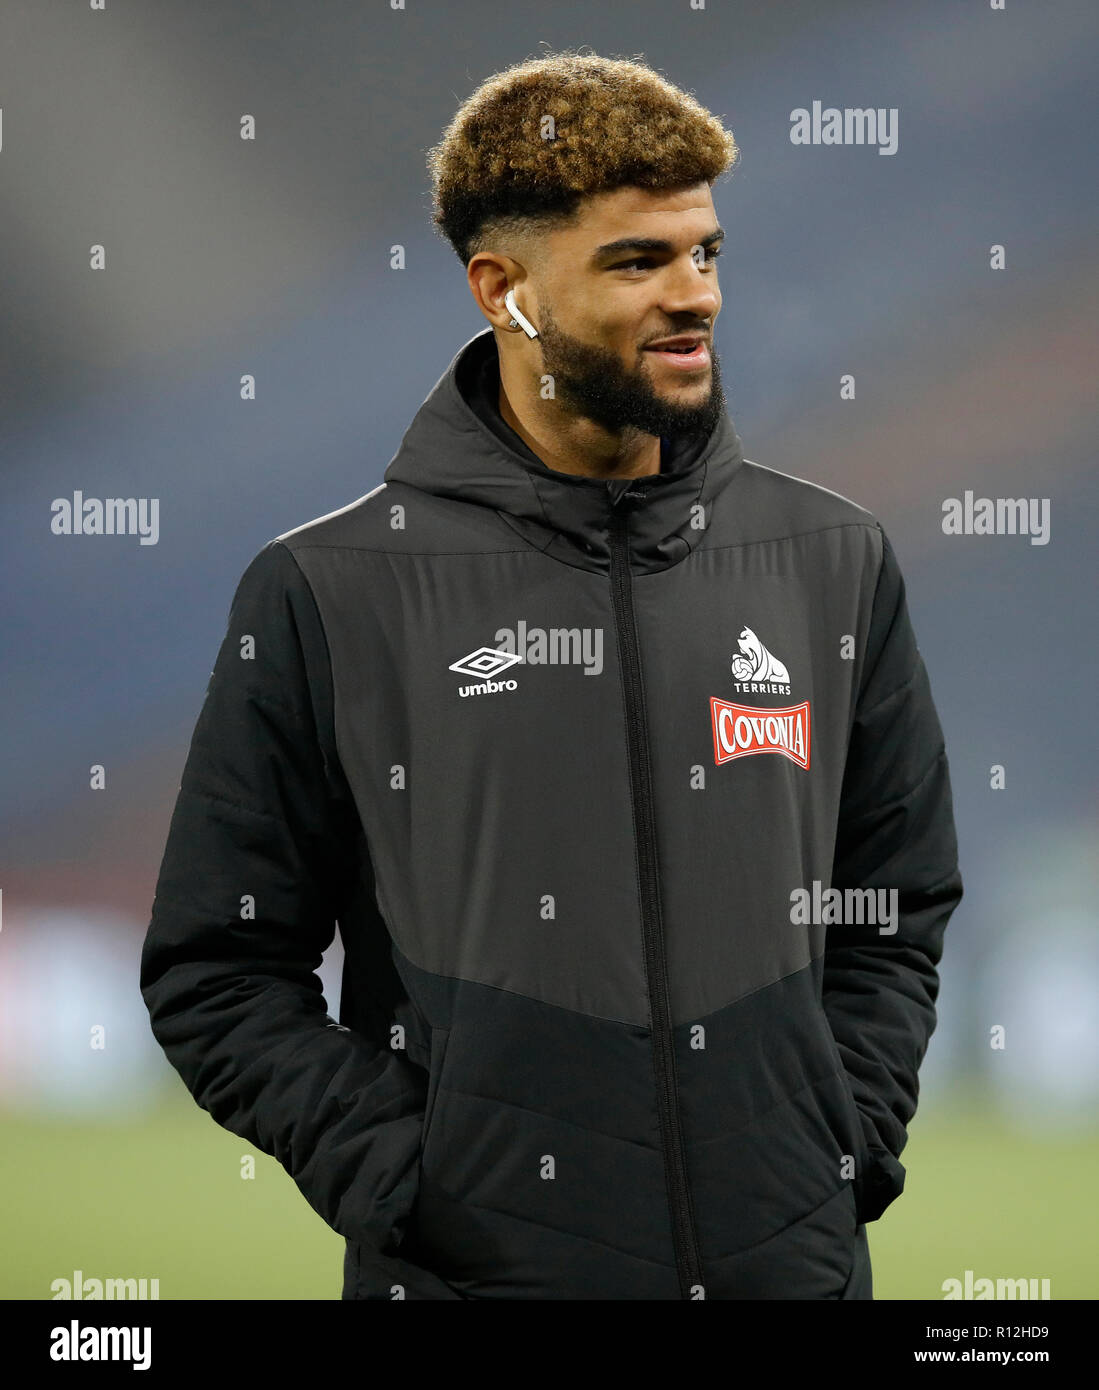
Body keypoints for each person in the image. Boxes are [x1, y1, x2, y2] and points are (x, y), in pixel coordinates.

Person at [140, 50, 963, 1300]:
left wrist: (836, 1140)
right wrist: (415, 1180)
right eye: (638, 261)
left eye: (705, 253)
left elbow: (891, 904)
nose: (696, 296)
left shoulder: (829, 559)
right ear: (503, 290)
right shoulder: (333, 587)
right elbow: (216, 964)